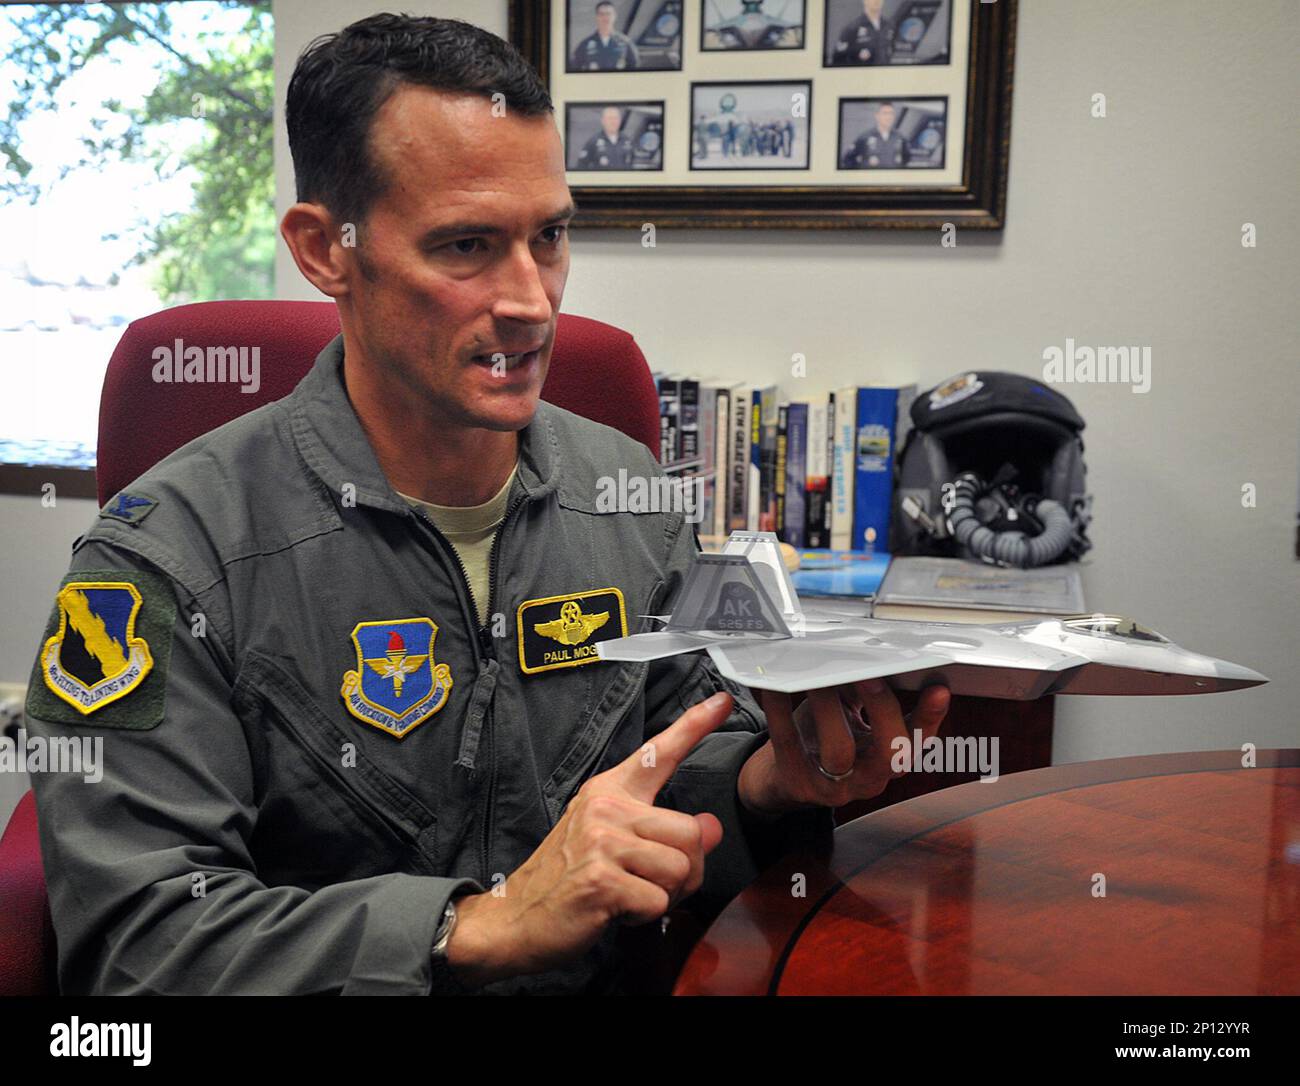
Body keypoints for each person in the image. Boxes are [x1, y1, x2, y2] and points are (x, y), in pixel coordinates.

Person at [23, 13, 950, 996]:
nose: (532, 300)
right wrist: (471, 927)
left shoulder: (630, 496)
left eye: (548, 237)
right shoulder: (165, 560)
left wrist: (769, 784)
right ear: (322, 249)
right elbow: (138, 945)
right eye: (466, 245)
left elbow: (677, 768)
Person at [571, 1, 640, 71]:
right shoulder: (585, 44)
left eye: (608, 14)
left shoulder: (626, 43)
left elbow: (635, 68)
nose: (605, 17)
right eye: (601, 14)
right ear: (596, 17)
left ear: (614, 16)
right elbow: (574, 68)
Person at [842, 101, 911, 169]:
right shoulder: (864, 137)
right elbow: (848, 160)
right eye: (885, 113)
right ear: (877, 116)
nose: (889, 117)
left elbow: (906, 159)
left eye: (891, 113)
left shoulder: (901, 138)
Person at [830, 0, 895, 66]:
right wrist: (856, 55)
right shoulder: (852, 28)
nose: (876, 1)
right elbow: (837, 59)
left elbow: (891, 50)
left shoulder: (888, 26)